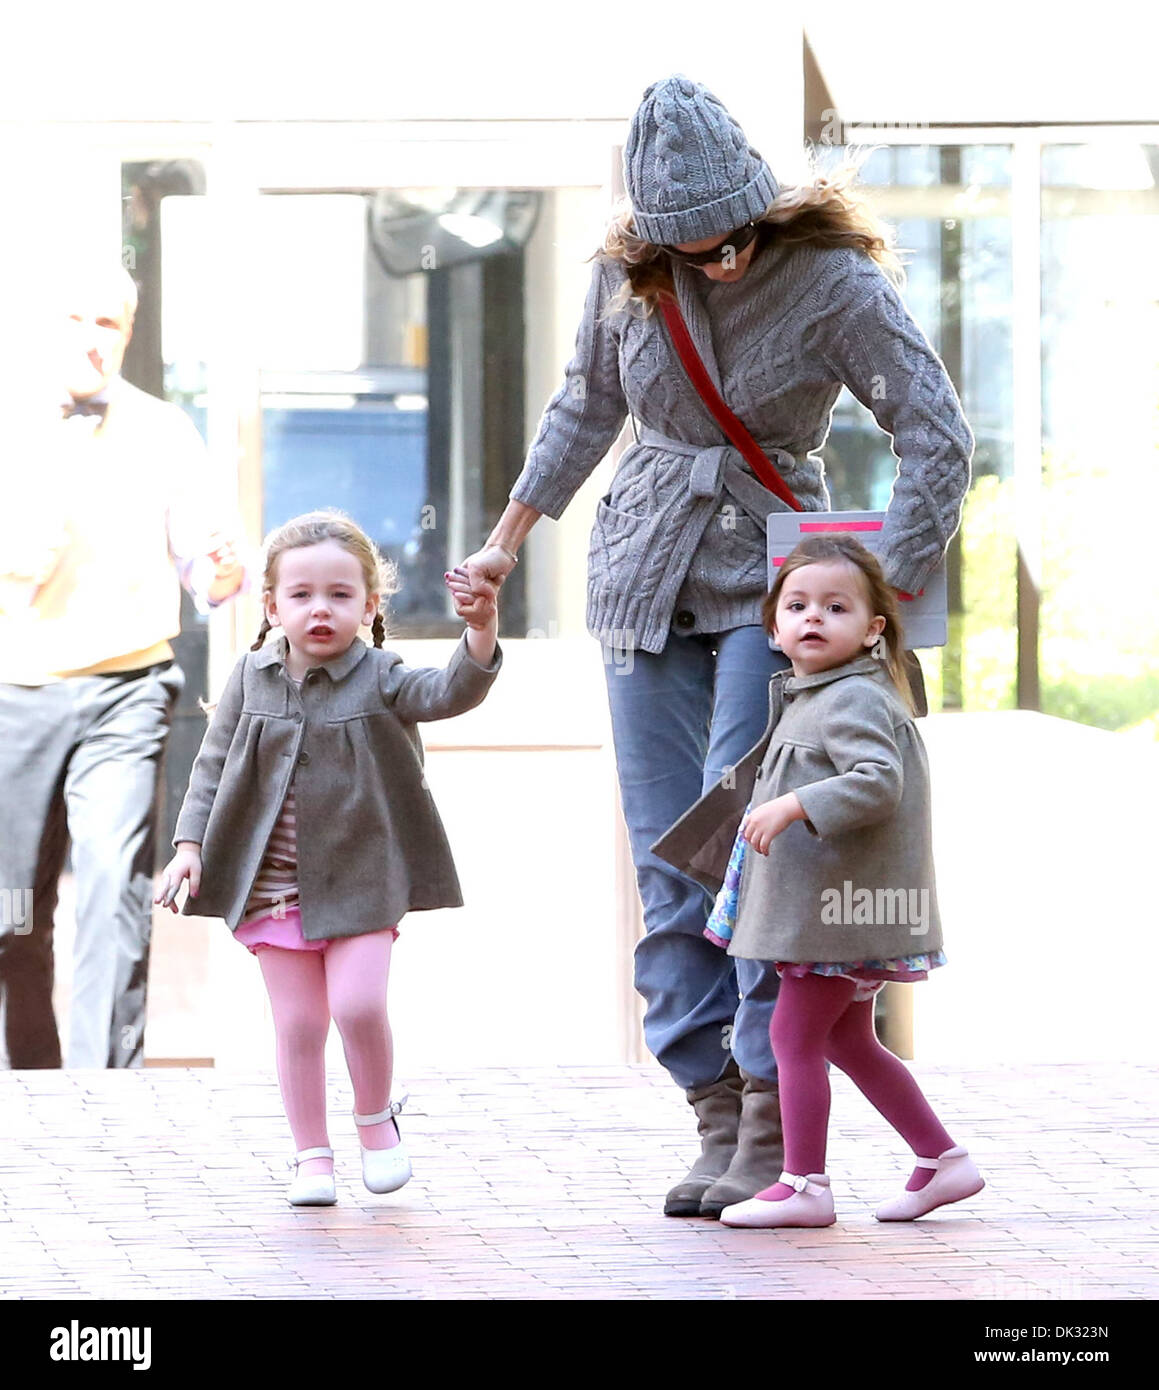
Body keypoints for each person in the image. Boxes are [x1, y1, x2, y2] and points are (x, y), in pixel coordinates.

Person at [451, 75, 973, 1216]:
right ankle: (711, 1101)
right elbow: (581, 410)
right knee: (663, 850)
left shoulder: (835, 278)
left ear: (759, 205)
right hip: (641, 571)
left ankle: (770, 1108)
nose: (716, 259)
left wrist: (899, 577)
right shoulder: (623, 277)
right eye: (690, 246)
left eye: (731, 237)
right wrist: (501, 544)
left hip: (773, 587)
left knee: (750, 838)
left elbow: (936, 427)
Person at [157, 511, 501, 1205]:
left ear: (370, 605)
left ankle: (376, 1123)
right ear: (272, 606)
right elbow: (212, 764)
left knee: (358, 1003)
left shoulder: (382, 676)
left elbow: (449, 692)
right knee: (300, 1023)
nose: (320, 609)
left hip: (362, 882)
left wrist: (481, 628)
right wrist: (188, 846)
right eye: (302, 594)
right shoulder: (251, 676)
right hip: (272, 889)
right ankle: (311, 1157)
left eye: (341, 595)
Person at [653, 534, 984, 1227]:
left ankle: (803, 1184)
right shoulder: (813, 696)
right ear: (772, 627)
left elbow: (876, 783)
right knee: (846, 1041)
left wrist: (797, 803)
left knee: (792, 1038)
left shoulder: (851, 700)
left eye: (834, 607)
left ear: (871, 632)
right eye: (796, 605)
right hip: (840, 909)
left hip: (838, 914)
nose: (812, 618)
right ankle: (940, 1159)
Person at [0, 264, 248, 1069]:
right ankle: (27, 1088)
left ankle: (102, 1098)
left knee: (113, 892)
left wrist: (220, 571)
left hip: (127, 689)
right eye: (73, 319)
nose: (90, 338)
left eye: (108, 323)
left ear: (129, 335)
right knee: (12, 911)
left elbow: (208, 567)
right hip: (12, 690)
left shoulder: (164, 429)